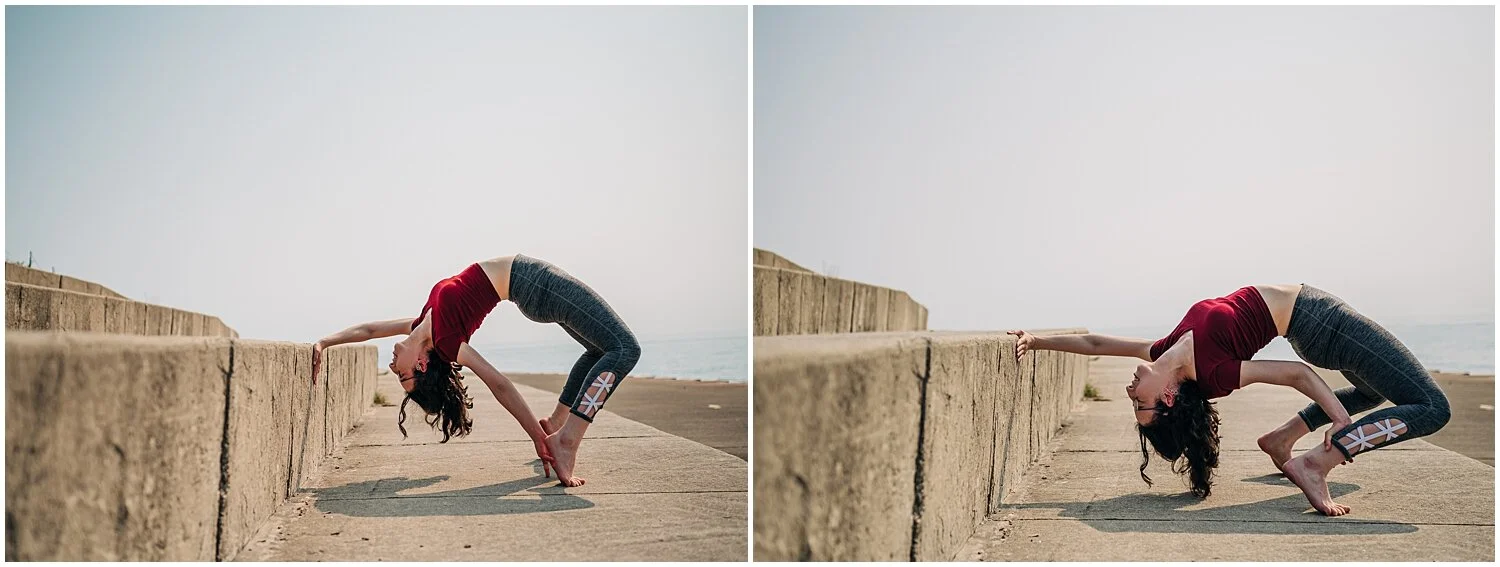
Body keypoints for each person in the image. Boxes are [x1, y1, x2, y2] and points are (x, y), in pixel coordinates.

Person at [1009, 284, 1450, 516]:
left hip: (1312, 318)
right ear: (1167, 397)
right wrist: (1339, 422)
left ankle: (1283, 438)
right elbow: (1297, 374)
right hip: (1322, 324)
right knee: (1433, 408)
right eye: (1138, 405)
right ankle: (1318, 463)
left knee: (1373, 392)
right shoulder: (1214, 373)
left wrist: (1038, 340)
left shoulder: (1163, 350)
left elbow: (1095, 343)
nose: (1129, 393)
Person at [311, 254, 642, 487]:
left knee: (599, 350)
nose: (391, 367)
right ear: (421, 365)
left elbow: (369, 330)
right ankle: (566, 440)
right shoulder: (447, 340)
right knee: (625, 349)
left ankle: (556, 423)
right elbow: (499, 384)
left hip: (530, 282)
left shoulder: (422, 322)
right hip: (534, 284)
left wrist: (325, 342)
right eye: (401, 375)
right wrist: (538, 440)